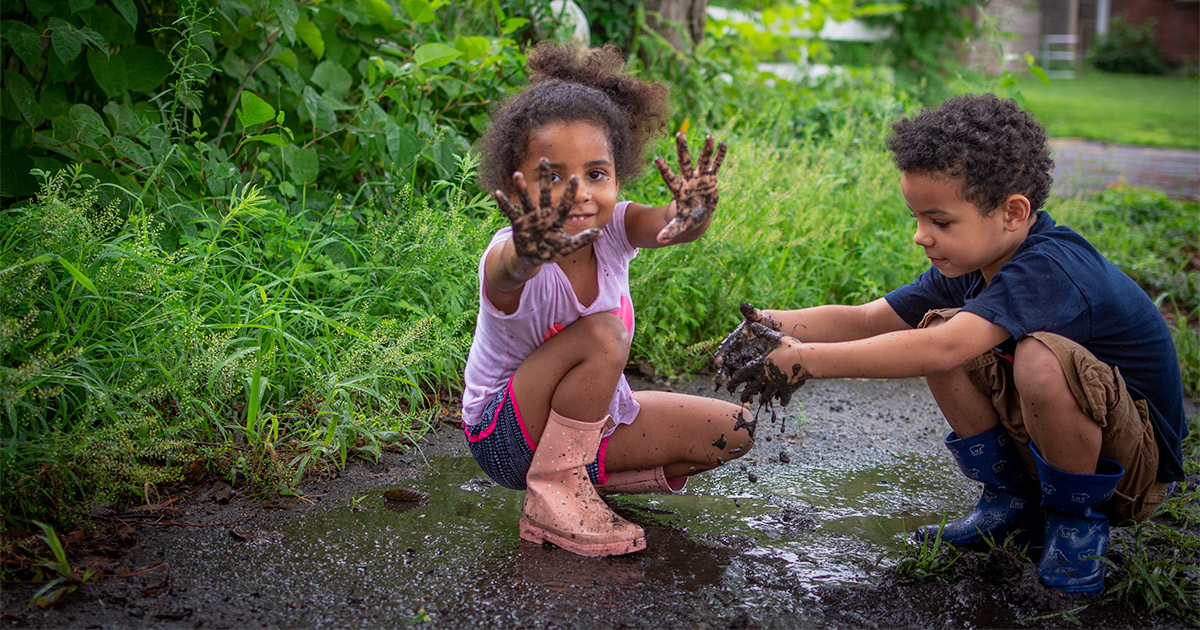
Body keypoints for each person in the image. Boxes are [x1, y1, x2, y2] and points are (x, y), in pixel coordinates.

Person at [715, 94, 1186, 595]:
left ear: (1013, 212)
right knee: (934, 322)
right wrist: (765, 323)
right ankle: (1009, 504)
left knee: (1027, 355)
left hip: (1132, 474)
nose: (922, 236)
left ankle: (1075, 523)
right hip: (1066, 449)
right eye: (917, 218)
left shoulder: (1051, 266)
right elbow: (867, 318)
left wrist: (807, 360)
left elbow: (943, 351)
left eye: (940, 222)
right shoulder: (974, 265)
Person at [461, 42, 753, 558]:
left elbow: (671, 225)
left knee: (733, 431)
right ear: (517, 182)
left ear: (619, 176)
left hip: (581, 429)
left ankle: (578, 486)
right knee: (603, 333)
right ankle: (553, 494)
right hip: (503, 434)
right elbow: (504, 276)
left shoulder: (614, 228)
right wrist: (527, 255)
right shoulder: (511, 254)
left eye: (596, 174)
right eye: (552, 176)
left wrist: (696, 210)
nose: (580, 194)